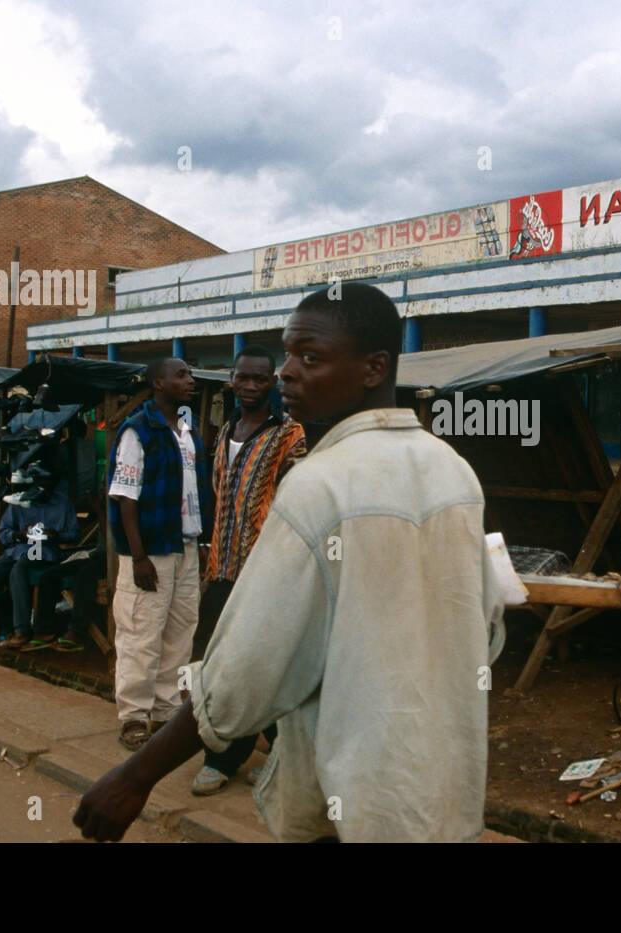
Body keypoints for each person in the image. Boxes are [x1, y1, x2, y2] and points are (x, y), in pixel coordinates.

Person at [75, 282, 506, 843]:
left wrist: (136, 775)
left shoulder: (319, 484)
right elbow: (487, 627)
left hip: (350, 807)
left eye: (310, 357)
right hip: (444, 795)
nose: (286, 372)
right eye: (287, 354)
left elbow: (242, 673)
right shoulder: (455, 471)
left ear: (374, 368)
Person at [190, 344, 306, 796]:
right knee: (221, 664)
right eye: (245, 378)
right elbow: (220, 500)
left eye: (261, 379)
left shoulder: (288, 435)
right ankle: (222, 756)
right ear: (231, 380)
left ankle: (283, 754)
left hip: (267, 573)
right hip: (222, 571)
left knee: (271, 666)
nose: (252, 386)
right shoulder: (225, 434)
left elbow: (295, 501)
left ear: (273, 382)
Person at [106, 358, 213, 751]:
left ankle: (166, 712)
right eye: (181, 375)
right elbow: (125, 498)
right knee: (140, 633)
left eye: (189, 373)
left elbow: (197, 495)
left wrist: (201, 543)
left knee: (179, 632)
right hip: (151, 552)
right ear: (158, 383)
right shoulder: (139, 431)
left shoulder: (186, 432)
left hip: (184, 547)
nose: (190, 380)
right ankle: (133, 716)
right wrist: (138, 557)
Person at [0, 478, 78, 649]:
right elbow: (4, 532)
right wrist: (19, 535)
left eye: (48, 488)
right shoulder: (20, 500)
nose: (45, 493)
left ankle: (21, 631)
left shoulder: (61, 502)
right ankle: (8, 626)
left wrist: (57, 535)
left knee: (19, 571)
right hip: (17, 549)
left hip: (42, 550)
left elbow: (74, 534)